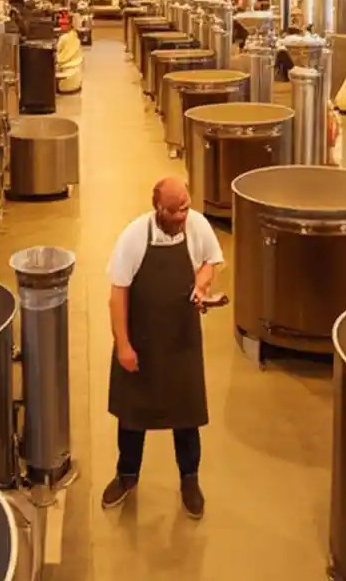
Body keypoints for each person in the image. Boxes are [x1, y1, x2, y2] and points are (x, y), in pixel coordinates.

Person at [102, 177, 223, 519]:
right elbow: (117, 296)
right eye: (177, 210)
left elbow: (211, 262)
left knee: (186, 414)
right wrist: (123, 344)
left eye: (187, 206)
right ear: (160, 209)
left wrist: (201, 285)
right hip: (141, 340)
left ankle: (189, 480)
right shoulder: (134, 237)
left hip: (182, 340)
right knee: (132, 414)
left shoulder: (196, 225)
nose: (184, 215)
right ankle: (126, 475)